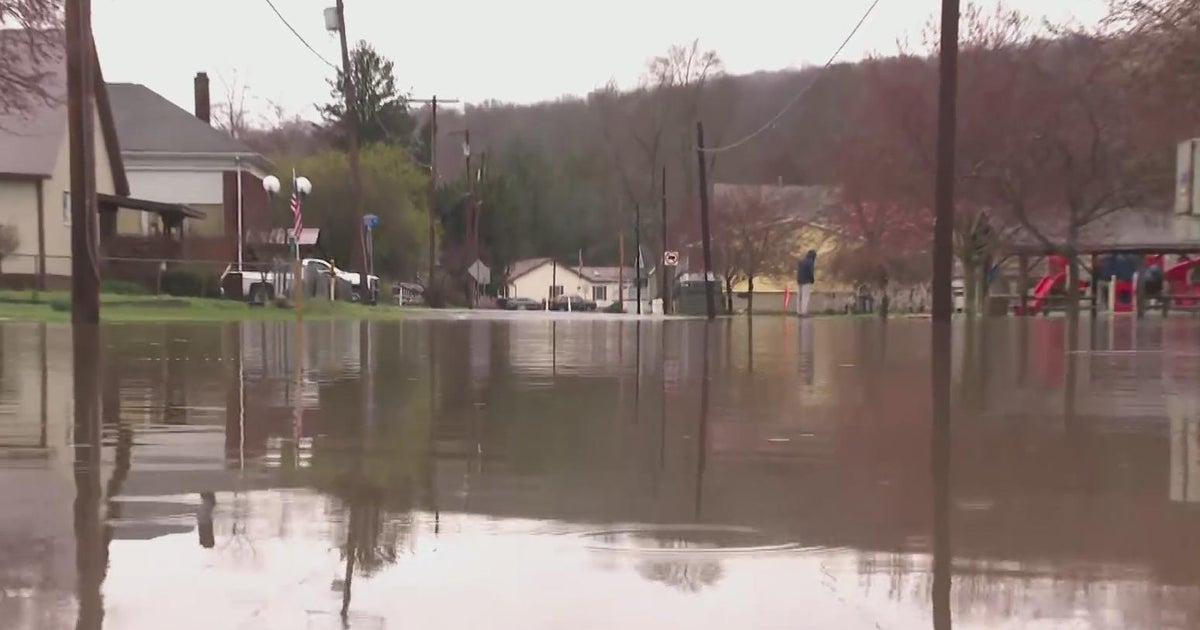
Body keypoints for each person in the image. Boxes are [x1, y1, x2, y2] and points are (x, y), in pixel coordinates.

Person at [796, 250, 817, 317]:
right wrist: (812, 280)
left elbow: (798, 271)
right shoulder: (810, 262)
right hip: (806, 281)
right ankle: (804, 312)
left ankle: (799, 311)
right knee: (805, 297)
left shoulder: (801, 261)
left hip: (799, 280)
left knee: (799, 297)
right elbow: (811, 272)